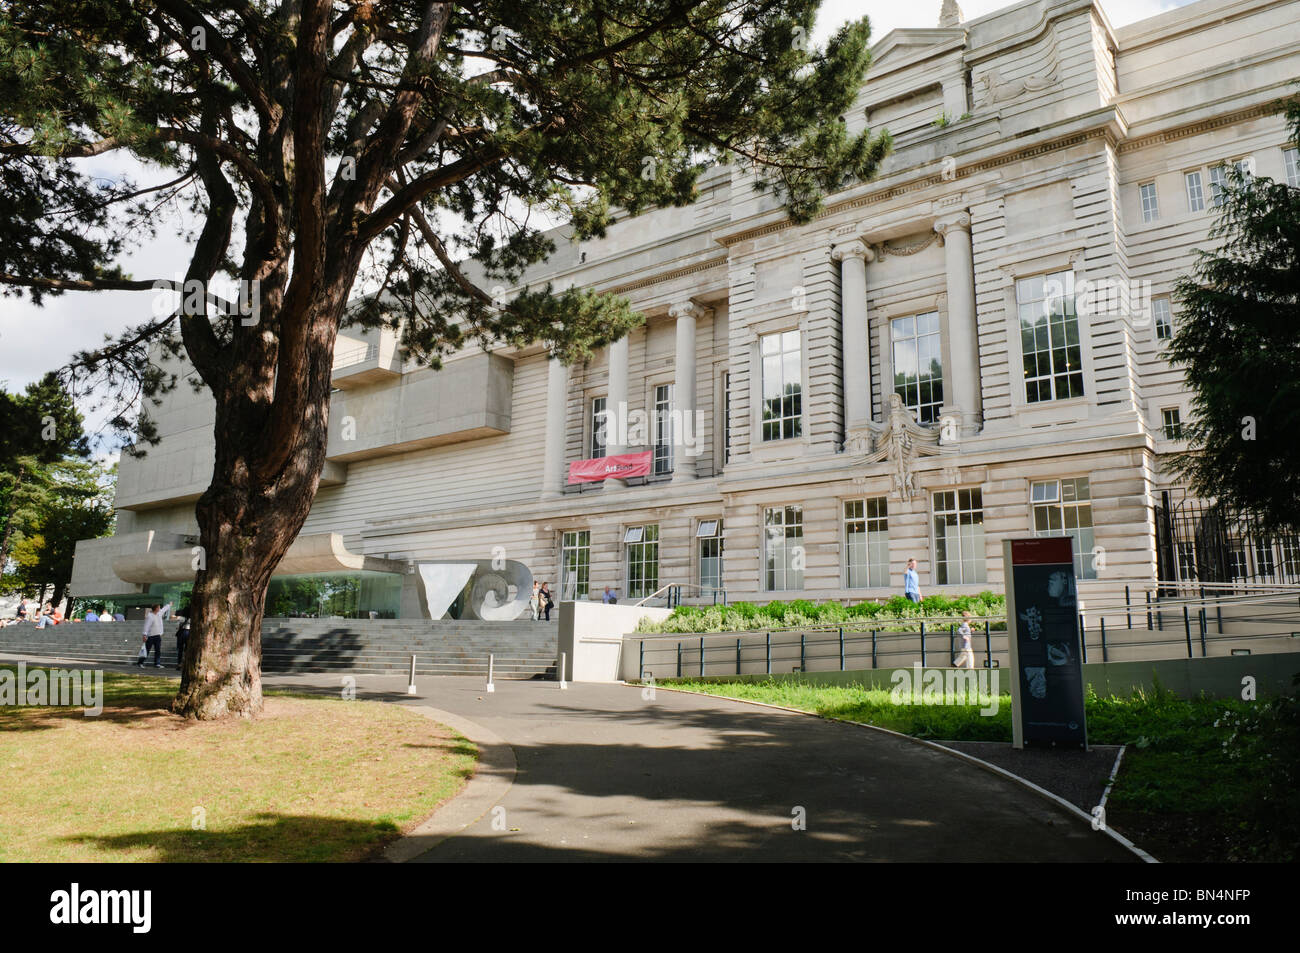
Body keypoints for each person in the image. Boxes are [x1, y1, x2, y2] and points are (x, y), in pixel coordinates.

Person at [142, 602, 171, 668]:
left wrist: (169, 605)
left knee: (158, 650)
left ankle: (157, 663)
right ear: (156, 609)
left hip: (158, 635)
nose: (160, 608)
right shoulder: (150, 616)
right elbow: (146, 626)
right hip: (151, 636)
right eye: (158, 607)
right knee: (147, 649)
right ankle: (140, 662)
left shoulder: (159, 613)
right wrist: (144, 634)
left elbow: (164, 609)